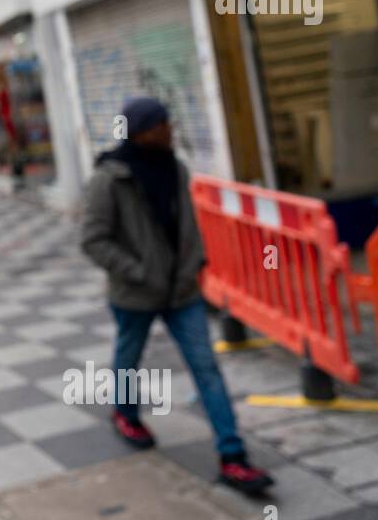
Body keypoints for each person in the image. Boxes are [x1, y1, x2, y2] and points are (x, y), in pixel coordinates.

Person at [80, 96, 273, 494]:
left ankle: (233, 457)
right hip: (135, 294)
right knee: (128, 358)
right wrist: (139, 272)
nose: (170, 129)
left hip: (182, 292)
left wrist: (194, 264)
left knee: (207, 368)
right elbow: (93, 241)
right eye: (162, 124)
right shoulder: (109, 178)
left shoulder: (176, 168)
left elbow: (187, 226)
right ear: (142, 131)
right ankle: (126, 413)